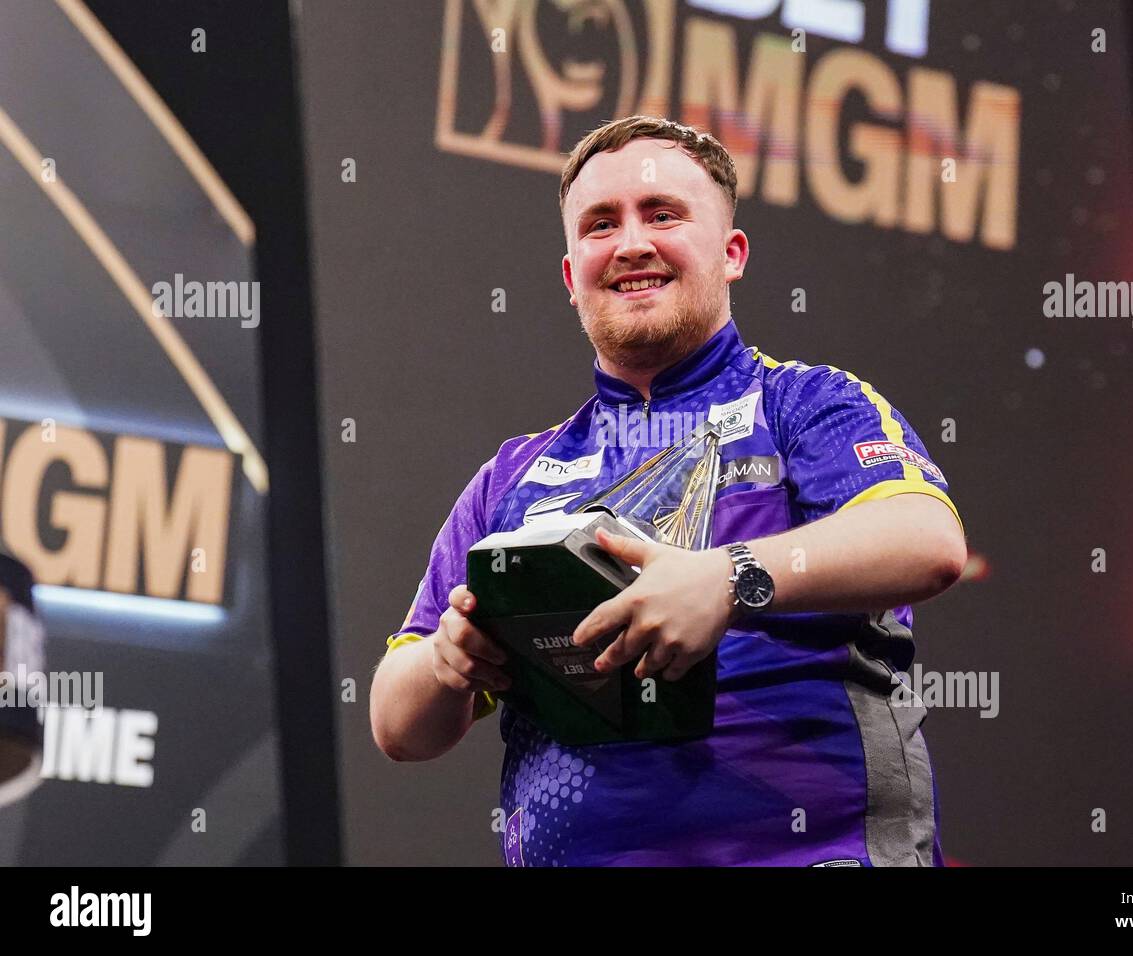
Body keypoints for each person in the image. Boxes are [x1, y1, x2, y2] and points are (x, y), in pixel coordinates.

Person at [370, 116, 966, 866]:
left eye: (662, 215)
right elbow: (397, 725)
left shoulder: (808, 406)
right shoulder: (512, 478)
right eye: (599, 226)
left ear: (732, 252)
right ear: (569, 274)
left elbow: (928, 541)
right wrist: (448, 665)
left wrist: (727, 580)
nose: (631, 244)